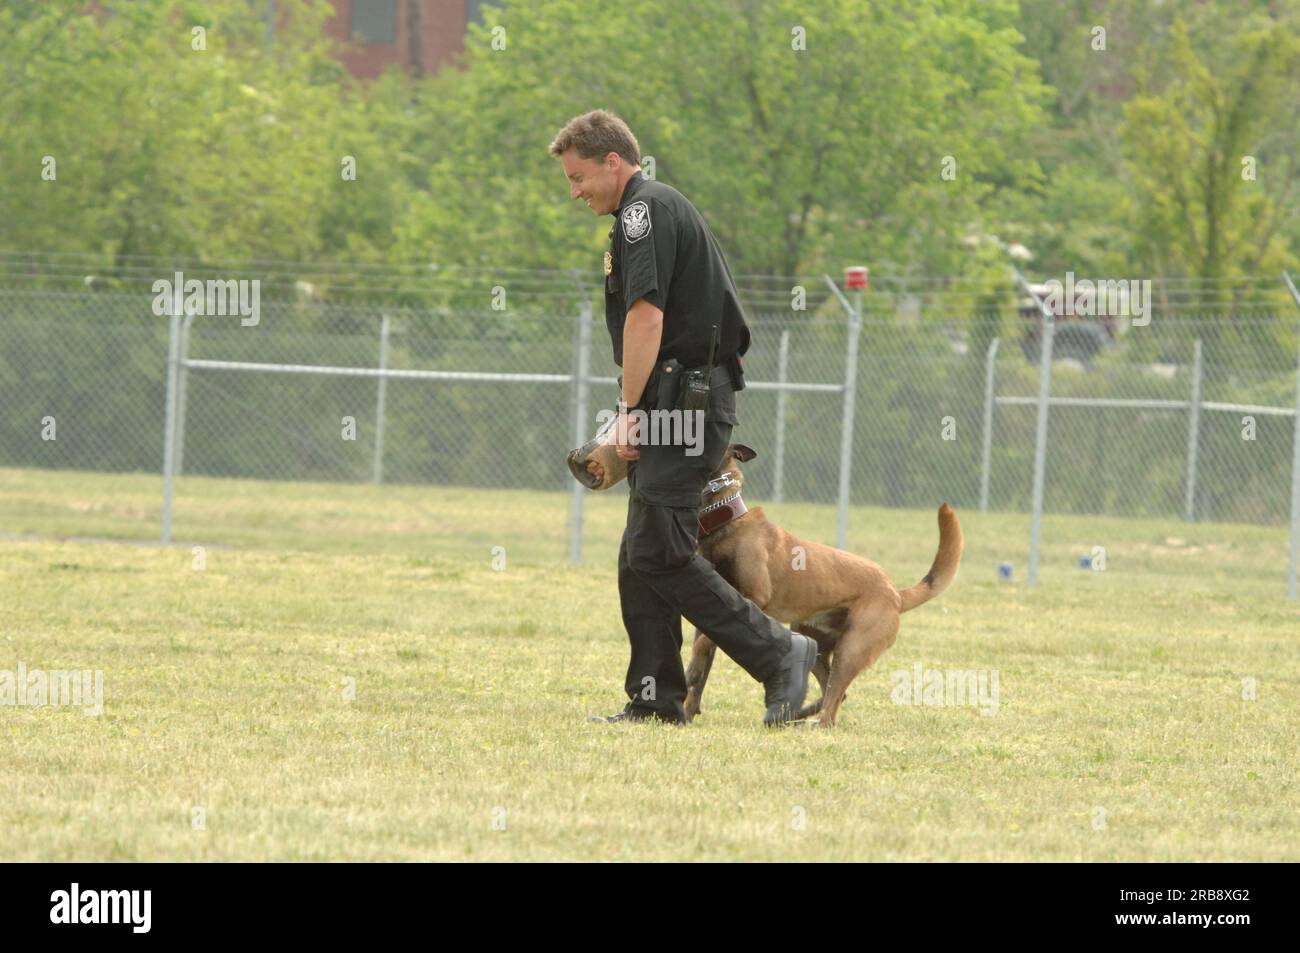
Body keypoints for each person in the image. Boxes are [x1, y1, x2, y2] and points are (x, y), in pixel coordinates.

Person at [548, 109, 816, 726]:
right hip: (676, 399)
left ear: (613, 161)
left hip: (683, 404)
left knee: (659, 549)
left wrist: (630, 413)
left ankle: (781, 654)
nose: (575, 192)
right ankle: (655, 697)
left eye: (579, 176)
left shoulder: (644, 213)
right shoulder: (644, 213)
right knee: (642, 549)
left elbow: (648, 318)